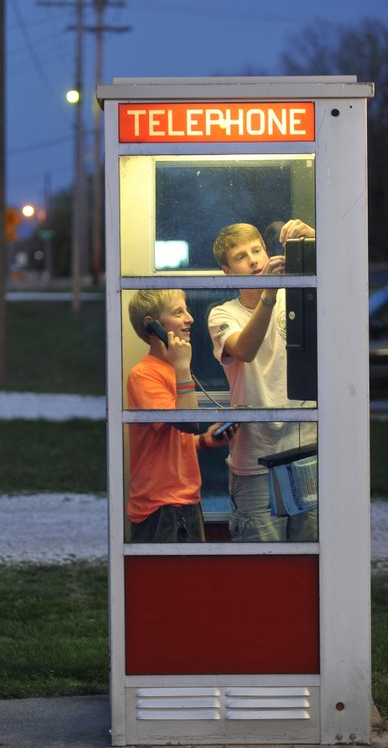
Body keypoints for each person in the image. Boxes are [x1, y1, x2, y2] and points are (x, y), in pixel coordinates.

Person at [208, 219, 317, 543]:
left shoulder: (294, 296)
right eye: (241, 257)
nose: (254, 260)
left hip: (306, 448)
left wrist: (313, 237)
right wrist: (269, 294)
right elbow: (244, 350)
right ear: (227, 272)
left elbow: (343, 275)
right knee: (262, 557)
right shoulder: (222, 314)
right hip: (254, 459)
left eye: (257, 250)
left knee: (313, 554)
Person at [126, 288, 235, 543]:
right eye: (178, 312)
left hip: (186, 500)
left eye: (186, 310)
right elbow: (187, 421)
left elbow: (168, 440)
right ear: (152, 325)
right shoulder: (144, 375)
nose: (190, 319)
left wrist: (205, 441)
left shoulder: (171, 370)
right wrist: (183, 367)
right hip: (162, 505)